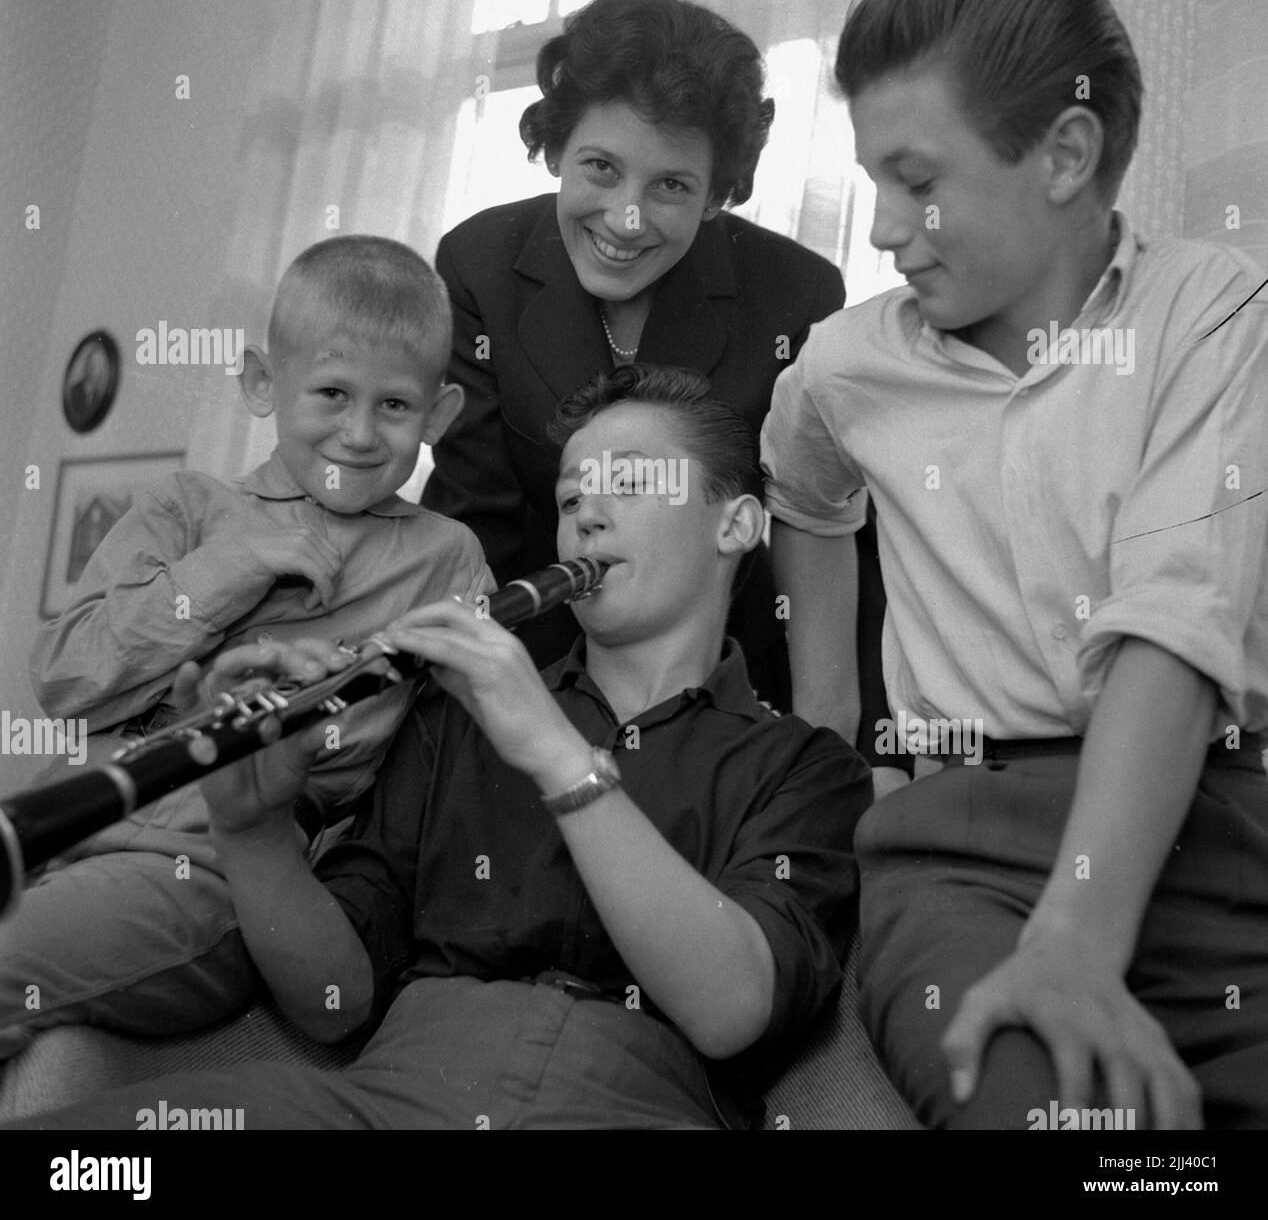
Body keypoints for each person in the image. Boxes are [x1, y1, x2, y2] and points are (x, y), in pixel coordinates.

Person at [7, 365, 872, 1130]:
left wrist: (556, 755)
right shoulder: (454, 717)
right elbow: (333, 1005)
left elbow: (729, 1009)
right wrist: (255, 828)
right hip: (391, 1094)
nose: (587, 519)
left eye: (630, 484)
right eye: (570, 500)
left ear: (737, 526)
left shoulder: (807, 767)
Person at [762, 0, 1268, 1129]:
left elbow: (1172, 618)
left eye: (914, 178)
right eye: (867, 179)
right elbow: (804, 493)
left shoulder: (1214, 312)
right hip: (957, 851)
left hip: (1208, 817)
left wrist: (1080, 941)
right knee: (1048, 1114)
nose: (882, 227)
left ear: (1063, 152)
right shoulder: (845, 365)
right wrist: (831, 726)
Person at [1, 236, 493, 1057]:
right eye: (332, 392)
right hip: (62, 822)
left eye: (396, 406)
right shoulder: (186, 507)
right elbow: (66, 679)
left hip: (205, 870)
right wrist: (230, 566)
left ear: (438, 416)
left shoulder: (447, 558)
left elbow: (400, 759)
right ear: (264, 385)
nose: (361, 434)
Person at [422, 0, 886, 720]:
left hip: (738, 700)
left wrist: (837, 753)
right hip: (533, 681)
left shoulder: (797, 293)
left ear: (715, 196)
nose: (626, 219)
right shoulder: (477, 264)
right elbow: (477, 535)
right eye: (601, 168)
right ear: (555, 151)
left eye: (670, 185)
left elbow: (832, 550)